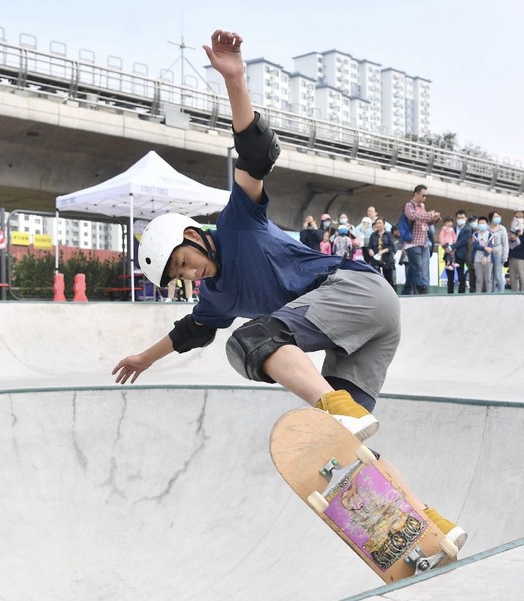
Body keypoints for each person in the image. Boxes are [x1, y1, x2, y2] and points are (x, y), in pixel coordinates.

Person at [111, 29, 465, 546]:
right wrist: (145, 357)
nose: (192, 277)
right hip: (367, 330)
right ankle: (428, 522)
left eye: (186, 263)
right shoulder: (214, 297)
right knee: (344, 449)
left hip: (357, 291)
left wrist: (234, 79)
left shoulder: (238, 223)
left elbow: (254, 153)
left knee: (251, 341)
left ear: (194, 237)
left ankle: (337, 412)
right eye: (181, 279)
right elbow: (191, 331)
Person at [401, 185, 441, 295]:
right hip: (413, 242)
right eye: (423, 195)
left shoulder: (422, 206)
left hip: (424, 242)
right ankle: (421, 288)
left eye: (426, 196)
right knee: (417, 268)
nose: (425, 198)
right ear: (416, 194)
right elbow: (412, 216)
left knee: (418, 270)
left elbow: (425, 221)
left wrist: (434, 219)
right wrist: (429, 215)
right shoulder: (409, 205)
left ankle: (407, 291)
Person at [366, 217, 396, 287]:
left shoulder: (389, 235)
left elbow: (392, 247)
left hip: (387, 259)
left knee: (389, 279)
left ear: (384, 224)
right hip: (376, 260)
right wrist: (370, 250)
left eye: (380, 223)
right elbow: (369, 246)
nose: (378, 225)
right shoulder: (373, 235)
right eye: (377, 223)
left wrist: (383, 251)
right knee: (377, 279)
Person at [471, 217, 495, 293]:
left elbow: (490, 247)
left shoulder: (490, 235)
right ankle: (477, 294)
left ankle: (489, 295)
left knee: (488, 279)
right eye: (480, 223)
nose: (481, 225)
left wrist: (485, 256)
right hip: (477, 259)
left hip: (488, 259)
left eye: (483, 223)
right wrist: (485, 248)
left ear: (487, 224)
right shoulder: (475, 234)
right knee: (479, 279)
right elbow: (475, 246)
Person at [487, 211, 509, 292]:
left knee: (498, 275)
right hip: (488, 253)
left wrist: (505, 256)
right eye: (495, 216)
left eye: (498, 216)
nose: (497, 218)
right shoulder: (487, 228)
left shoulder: (502, 228)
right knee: (490, 275)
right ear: (491, 218)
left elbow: (505, 243)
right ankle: (492, 292)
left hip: (498, 253)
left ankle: (501, 292)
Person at [452, 210, 472, 293]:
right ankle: (450, 293)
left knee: (461, 276)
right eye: (459, 218)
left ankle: (461, 293)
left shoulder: (468, 230)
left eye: (462, 218)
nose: (460, 219)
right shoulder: (452, 229)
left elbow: (463, 241)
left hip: (462, 255)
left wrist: (451, 247)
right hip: (451, 255)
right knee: (450, 276)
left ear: (466, 218)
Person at [438, 217, 458, 293]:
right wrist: (444, 245)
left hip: (452, 245)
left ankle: (452, 263)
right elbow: (441, 237)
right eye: (447, 222)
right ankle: (448, 264)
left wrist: (454, 244)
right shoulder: (443, 229)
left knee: (452, 255)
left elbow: (454, 237)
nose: (449, 223)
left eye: (450, 222)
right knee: (447, 256)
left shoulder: (452, 230)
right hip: (446, 245)